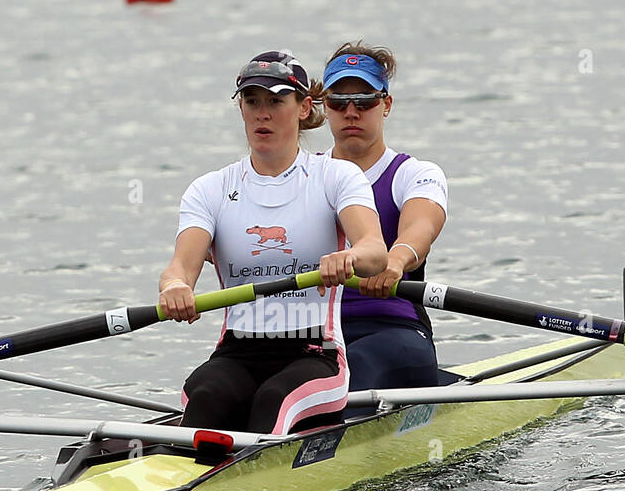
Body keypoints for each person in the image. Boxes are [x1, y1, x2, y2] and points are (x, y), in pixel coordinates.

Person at [158, 50, 386, 435]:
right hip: (236, 350)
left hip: (315, 351)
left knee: (274, 400)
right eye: (252, 101)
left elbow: (374, 250)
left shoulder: (336, 177)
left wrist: (349, 257)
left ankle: (245, 478)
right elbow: (180, 267)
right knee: (207, 395)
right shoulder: (210, 189)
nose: (262, 113)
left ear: (303, 108)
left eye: (276, 101)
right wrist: (175, 287)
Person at [320, 42, 449, 406]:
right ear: (323, 108)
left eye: (364, 102)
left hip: (393, 329)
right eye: (338, 103)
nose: (351, 112)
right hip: (312, 334)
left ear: (386, 105)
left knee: (354, 368)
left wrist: (394, 262)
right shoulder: (302, 174)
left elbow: (420, 230)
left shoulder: (413, 174)